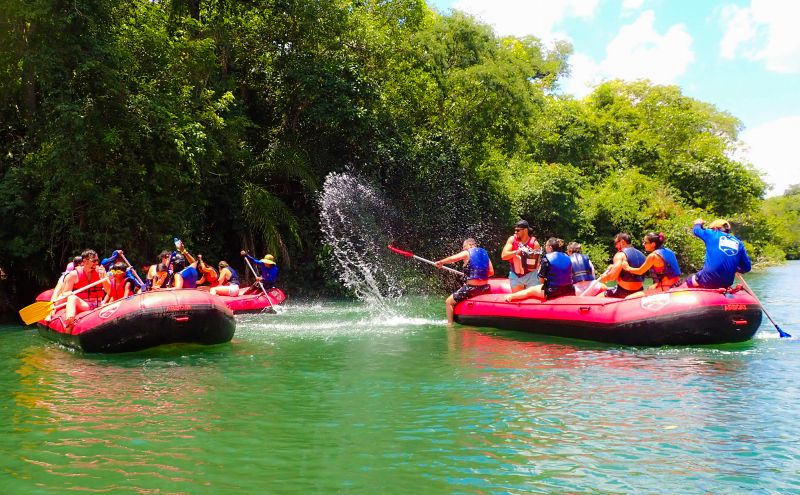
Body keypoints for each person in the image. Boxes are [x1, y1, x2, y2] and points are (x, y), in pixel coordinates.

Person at [435, 238, 494, 325]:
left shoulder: (467, 252)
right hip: (484, 288)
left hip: (472, 288)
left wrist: (441, 262)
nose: (463, 249)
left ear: (470, 245)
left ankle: (450, 325)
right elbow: (491, 272)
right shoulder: (485, 254)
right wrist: (477, 275)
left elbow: (452, 259)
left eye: (464, 246)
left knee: (448, 302)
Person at [51, 249, 110, 332]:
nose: (97, 263)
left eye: (97, 260)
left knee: (72, 298)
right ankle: (69, 324)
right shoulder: (73, 275)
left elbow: (109, 291)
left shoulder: (101, 272)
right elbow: (66, 292)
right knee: (71, 297)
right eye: (94, 260)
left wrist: (104, 277)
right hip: (83, 304)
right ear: (85, 261)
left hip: (98, 304)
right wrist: (71, 293)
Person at [685, 218, 751, 289]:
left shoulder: (711, 234)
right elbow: (747, 268)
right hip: (727, 283)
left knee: (690, 278)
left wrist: (698, 223)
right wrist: (736, 268)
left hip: (708, 280)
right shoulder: (738, 243)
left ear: (715, 228)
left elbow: (696, 230)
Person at [505, 238, 575, 302]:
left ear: (550, 248)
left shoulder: (546, 258)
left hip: (553, 292)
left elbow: (541, 280)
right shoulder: (567, 257)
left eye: (546, 246)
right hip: (569, 290)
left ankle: (510, 297)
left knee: (530, 290)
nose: (545, 248)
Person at [596, 233, 646, 298]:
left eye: (616, 243)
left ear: (622, 242)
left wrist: (605, 277)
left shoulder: (620, 255)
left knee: (597, 298)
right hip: (639, 291)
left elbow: (613, 276)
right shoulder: (642, 255)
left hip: (623, 292)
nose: (615, 246)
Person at [501, 220, 541, 293]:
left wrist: (528, 256)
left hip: (531, 275)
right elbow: (504, 256)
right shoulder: (512, 239)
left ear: (525, 230)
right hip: (515, 275)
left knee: (532, 301)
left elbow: (537, 264)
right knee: (517, 300)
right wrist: (517, 252)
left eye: (518, 230)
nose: (515, 232)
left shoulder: (535, 244)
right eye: (515, 230)